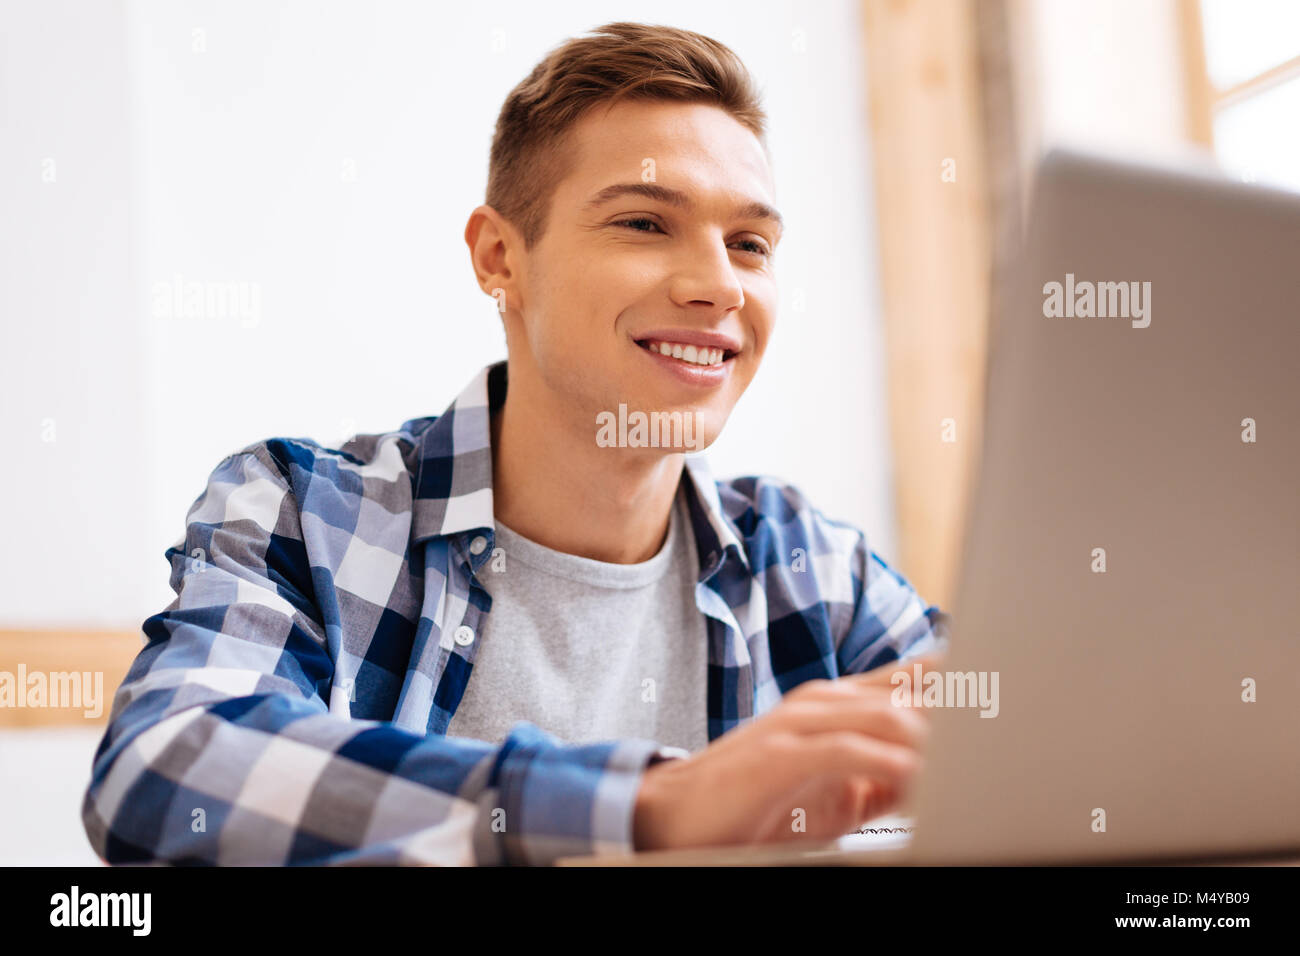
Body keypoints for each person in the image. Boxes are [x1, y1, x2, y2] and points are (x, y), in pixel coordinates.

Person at [82, 20, 947, 866]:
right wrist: (649, 806)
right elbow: (165, 768)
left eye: (749, 244)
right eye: (644, 223)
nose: (720, 286)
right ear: (500, 257)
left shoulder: (813, 570)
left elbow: (1004, 732)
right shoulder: (306, 514)